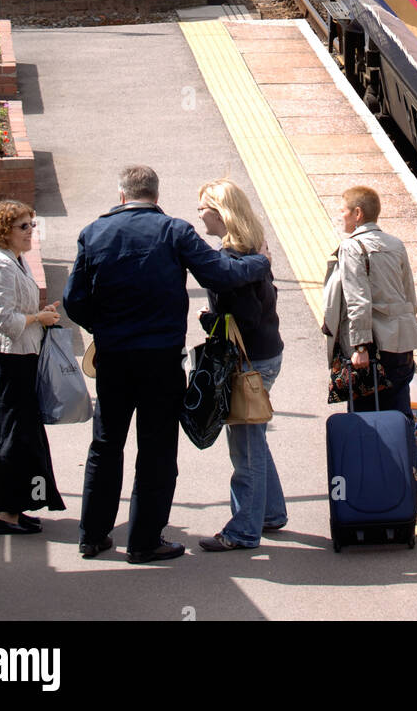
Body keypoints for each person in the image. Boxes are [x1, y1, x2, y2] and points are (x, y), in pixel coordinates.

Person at [62, 165, 272, 564]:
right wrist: (260, 263)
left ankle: (92, 535)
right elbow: (221, 273)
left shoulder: (93, 233)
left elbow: (74, 301)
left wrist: (103, 327)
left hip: (113, 358)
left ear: (122, 196)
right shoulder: (174, 231)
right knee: (156, 449)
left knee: (105, 445)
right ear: (156, 197)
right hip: (160, 360)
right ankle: (144, 541)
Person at [323, 184, 417, 506]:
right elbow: (410, 298)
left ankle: (375, 487)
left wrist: (360, 347)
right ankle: (413, 482)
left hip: (372, 350)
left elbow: (357, 302)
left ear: (357, 214)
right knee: (400, 416)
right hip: (402, 345)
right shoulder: (395, 245)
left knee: (366, 421)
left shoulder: (352, 248)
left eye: (343, 210)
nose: (340, 216)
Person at [195, 180, 286, 552]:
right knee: (255, 436)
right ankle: (271, 513)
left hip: (249, 362)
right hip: (266, 354)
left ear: (218, 212)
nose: (198, 213)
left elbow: (244, 319)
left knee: (245, 447)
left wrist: (210, 321)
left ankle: (243, 530)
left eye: (201, 206)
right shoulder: (250, 251)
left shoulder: (231, 260)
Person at [0, 200, 65, 535]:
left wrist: (40, 312)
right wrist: (37, 318)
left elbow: (18, 309)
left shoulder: (17, 260)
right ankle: (5, 514)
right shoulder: (0, 266)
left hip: (23, 355)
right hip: (8, 358)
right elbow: (4, 321)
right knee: (12, 433)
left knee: (25, 432)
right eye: (24, 226)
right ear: (5, 231)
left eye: (32, 224)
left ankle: (18, 505)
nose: (32, 231)